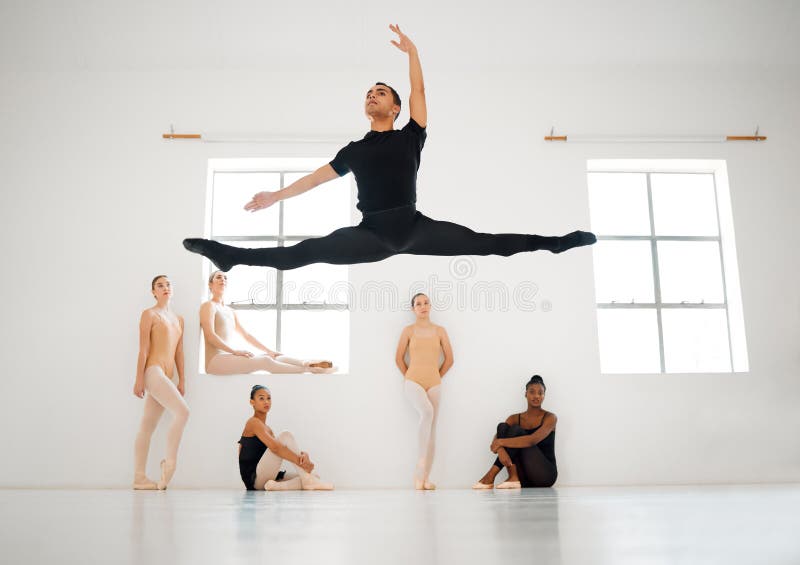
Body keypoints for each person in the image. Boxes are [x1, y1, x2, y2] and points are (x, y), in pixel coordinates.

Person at [183, 24, 595, 272]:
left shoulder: (411, 134)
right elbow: (313, 180)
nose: (372, 95)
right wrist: (276, 195)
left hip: (413, 229)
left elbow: (418, 88)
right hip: (373, 235)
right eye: (369, 92)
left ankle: (555, 243)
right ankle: (230, 256)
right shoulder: (354, 151)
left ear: (394, 107)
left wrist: (413, 52)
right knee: (304, 253)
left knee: (484, 243)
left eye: (380, 92)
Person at [201, 270, 335, 375]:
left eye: (225, 278)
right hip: (215, 362)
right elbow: (210, 336)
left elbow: (246, 335)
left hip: (228, 357)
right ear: (210, 285)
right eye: (218, 277)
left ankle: (308, 363)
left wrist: (269, 350)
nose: (223, 279)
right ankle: (309, 370)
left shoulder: (230, 311)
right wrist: (235, 351)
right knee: (264, 361)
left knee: (273, 357)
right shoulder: (208, 306)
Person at [132, 275, 190, 490]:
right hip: (153, 372)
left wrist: (182, 380)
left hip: (167, 376)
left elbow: (179, 352)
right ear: (153, 292)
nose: (165, 287)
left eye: (168, 284)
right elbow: (143, 349)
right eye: (160, 285)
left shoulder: (179, 319)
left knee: (147, 426)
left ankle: (139, 478)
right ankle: (170, 463)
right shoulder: (149, 314)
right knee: (183, 413)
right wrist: (139, 379)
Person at [395, 293, 453, 490]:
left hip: (434, 382)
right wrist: (409, 376)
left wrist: (436, 376)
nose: (423, 306)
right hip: (413, 381)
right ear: (413, 309)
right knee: (427, 412)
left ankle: (425, 479)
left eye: (426, 302)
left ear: (430, 306)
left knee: (432, 430)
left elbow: (450, 359)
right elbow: (399, 359)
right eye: (418, 304)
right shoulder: (408, 331)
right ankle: (419, 468)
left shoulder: (440, 331)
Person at [238, 385, 334, 491]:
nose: (266, 402)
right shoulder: (253, 422)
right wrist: (302, 462)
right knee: (286, 435)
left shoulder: (268, 429)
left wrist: (303, 455)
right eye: (261, 398)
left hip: (265, 479)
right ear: (252, 402)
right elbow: (276, 448)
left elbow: (282, 449)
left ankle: (275, 486)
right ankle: (308, 482)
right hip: (254, 479)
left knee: (313, 477)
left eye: (268, 398)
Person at [472, 375, 557, 489]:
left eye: (540, 393)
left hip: (544, 475)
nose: (536, 396)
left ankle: (491, 475)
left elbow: (531, 440)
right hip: (524, 477)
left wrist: (500, 443)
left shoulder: (550, 417)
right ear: (525, 394)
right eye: (532, 392)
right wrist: (500, 449)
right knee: (502, 427)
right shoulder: (514, 418)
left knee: (516, 430)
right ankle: (513, 477)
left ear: (544, 396)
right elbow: (496, 440)